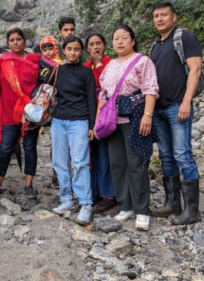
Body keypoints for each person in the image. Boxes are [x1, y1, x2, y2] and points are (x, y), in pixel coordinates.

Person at [97, 26, 158, 231]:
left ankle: (142, 209)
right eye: (116, 38)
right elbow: (103, 95)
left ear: (133, 40)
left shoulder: (143, 61)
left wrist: (147, 116)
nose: (120, 42)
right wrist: (98, 120)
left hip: (135, 118)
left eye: (124, 38)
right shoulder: (110, 65)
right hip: (113, 121)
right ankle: (125, 205)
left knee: (137, 163)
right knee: (118, 163)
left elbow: (151, 90)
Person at [148, 1, 203, 225]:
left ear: (174, 17)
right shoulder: (155, 46)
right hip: (159, 109)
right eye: (156, 16)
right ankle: (173, 203)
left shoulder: (184, 38)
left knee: (182, 155)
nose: (160, 19)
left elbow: (195, 69)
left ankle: (192, 210)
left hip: (178, 106)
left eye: (164, 15)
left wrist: (187, 102)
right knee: (166, 157)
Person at [0, 28, 42, 199]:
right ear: (8, 43)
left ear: (24, 41)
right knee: (6, 148)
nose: (15, 42)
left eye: (19, 39)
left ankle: (29, 185)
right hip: (9, 113)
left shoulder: (35, 60)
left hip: (30, 113)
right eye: (12, 40)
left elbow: (44, 83)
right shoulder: (2, 62)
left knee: (29, 148)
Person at [49, 36, 98, 225]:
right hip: (58, 120)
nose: (72, 53)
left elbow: (91, 100)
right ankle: (66, 199)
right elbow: (45, 90)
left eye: (76, 49)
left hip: (79, 121)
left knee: (80, 162)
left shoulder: (86, 72)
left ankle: (86, 203)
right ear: (63, 50)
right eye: (69, 49)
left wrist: (92, 125)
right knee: (60, 162)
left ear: (81, 51)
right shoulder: (57, 69)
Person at [86, 32, 116, 212]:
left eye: (98, 43)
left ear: (104, 46)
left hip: (106, 114)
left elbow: (108, 87)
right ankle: (93, 191)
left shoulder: (111, 64)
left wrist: (98, 66)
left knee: (105, 153)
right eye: (91, 44)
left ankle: (109, 194)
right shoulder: (83, 67)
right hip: (89, 113)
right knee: (90, 154)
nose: (95, 47)